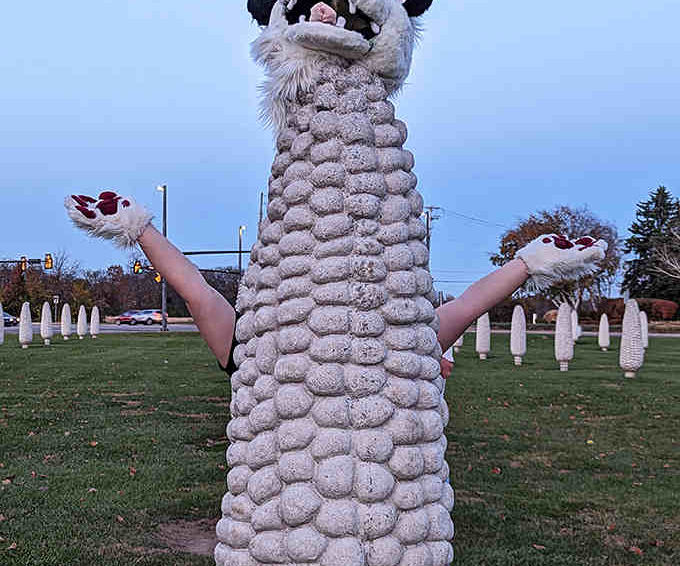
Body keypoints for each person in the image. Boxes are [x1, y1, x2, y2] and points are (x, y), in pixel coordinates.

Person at [65, 191, 607, 379]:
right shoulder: (254, 351)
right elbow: (198, 293)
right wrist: (527, 265)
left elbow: (199, 293)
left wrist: (143, 231)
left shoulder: (392, 341)